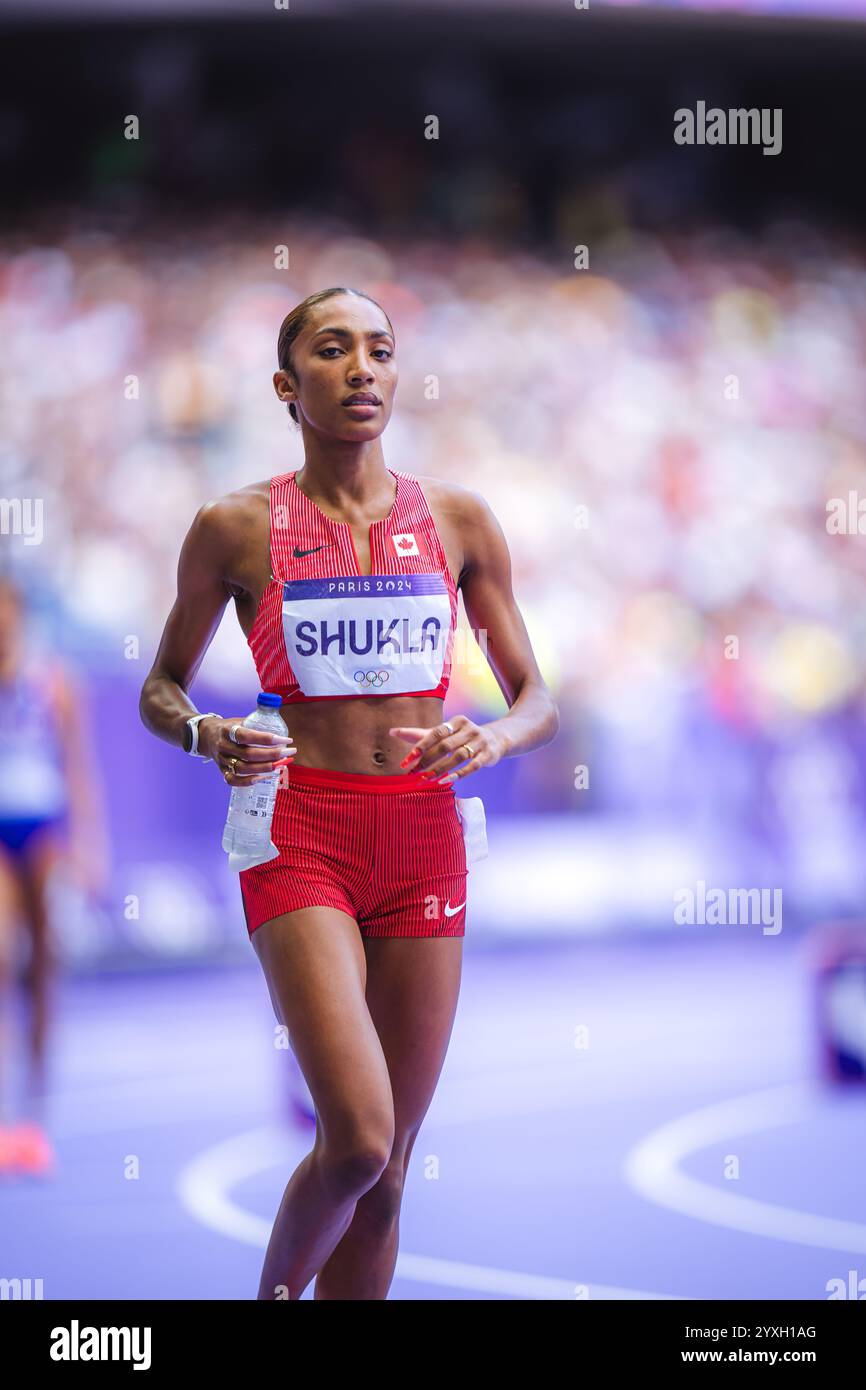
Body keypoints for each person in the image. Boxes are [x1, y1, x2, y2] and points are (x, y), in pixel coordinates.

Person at [139, 286, 559, 1299]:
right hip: (301, 834)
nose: (362, 367)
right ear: (289, 386)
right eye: (334, 350)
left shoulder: (457, 521)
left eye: (378, 349)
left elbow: (536, 695)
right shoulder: (232, 527)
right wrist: (206, 733)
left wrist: (493, 733)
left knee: (390, 1172)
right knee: (358, 1140)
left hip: (423, 838)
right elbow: (160, 690)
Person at [0, 576, 110, 1175]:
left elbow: (77, 767)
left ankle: (32, 1110)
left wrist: (90, 845)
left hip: (40, 826)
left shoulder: (51, 679)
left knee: (43, 963)